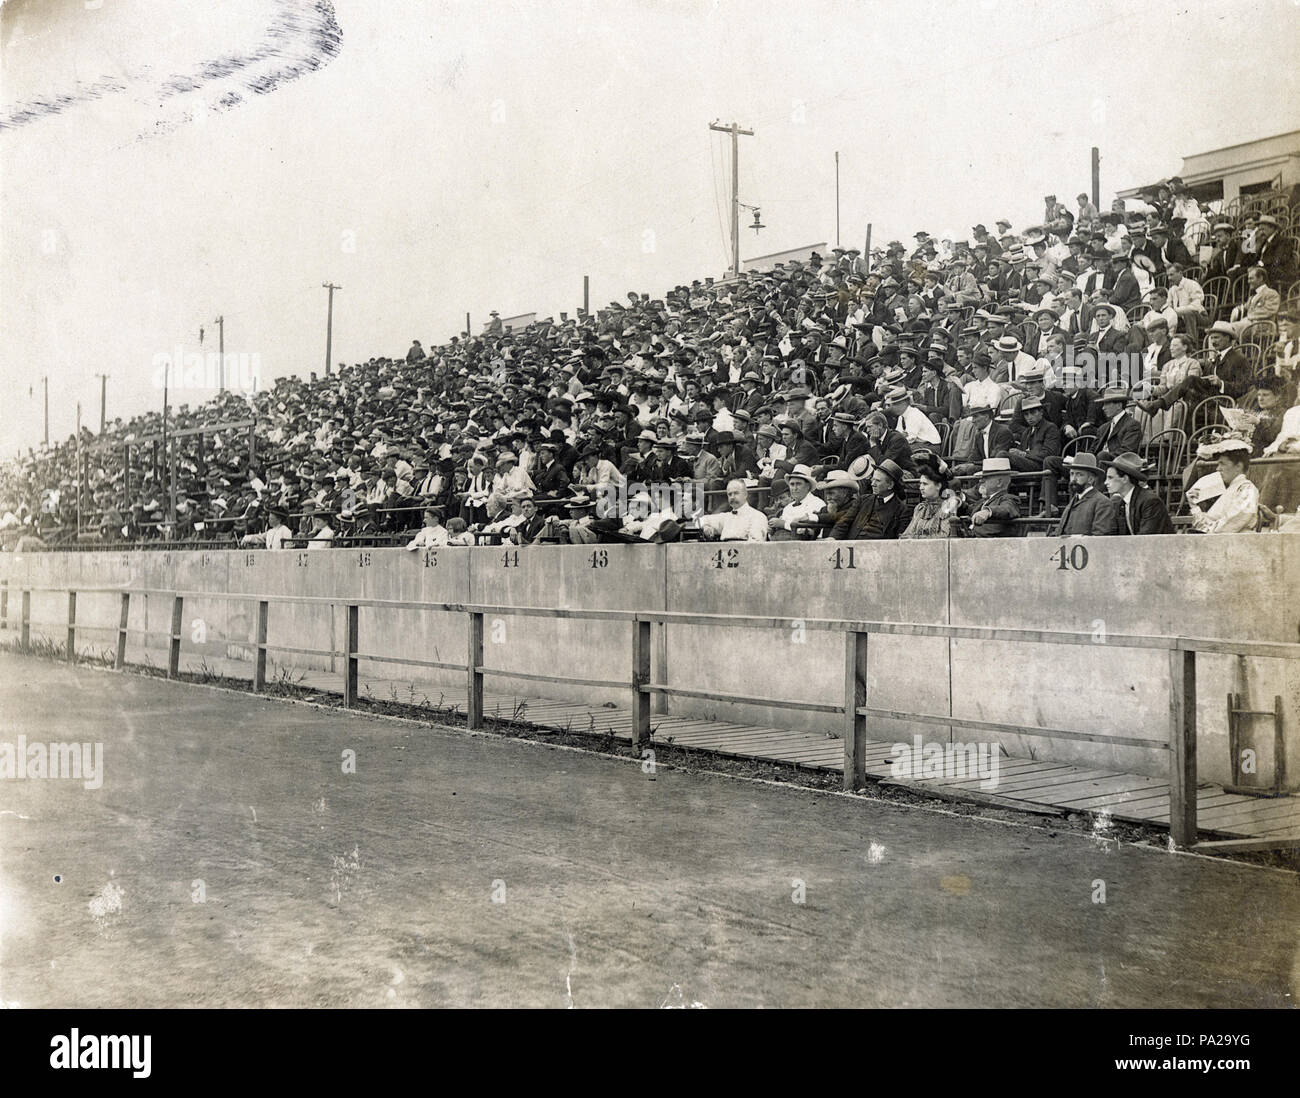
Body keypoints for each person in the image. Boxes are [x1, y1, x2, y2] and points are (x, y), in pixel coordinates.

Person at [1188, 437, 1260, 534]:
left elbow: (1226, 527)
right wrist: (1194, 506)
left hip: (1234, 540)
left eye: (1222, 464)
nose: (1218, 469)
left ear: (1238, 466)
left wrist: (1198, 515)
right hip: (1220, 539)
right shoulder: (1231, 489)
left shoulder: (1247, 489)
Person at [831, 460, 907, 540]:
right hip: (853, 545)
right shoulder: (863, 500)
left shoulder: (901, 510)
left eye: (877, 481)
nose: (872, 484)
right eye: (873, 479)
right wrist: (833, 537)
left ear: (890, 485)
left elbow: (899, 540)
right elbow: (844, 521)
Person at [1102, 452, 1173, 534]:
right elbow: (1115, 534)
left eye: (1110, 478)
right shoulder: (1121, 503)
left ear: (1125, 479)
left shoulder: (1150, 502)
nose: (1105, 482)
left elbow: (1145, 537)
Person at [1054, 454, 1120, 536]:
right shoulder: (1074, 500)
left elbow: (1101, 536)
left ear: (1090, 479)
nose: (1074, 479)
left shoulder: (1102, 503)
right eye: (1072, 474)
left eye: (1079, 474)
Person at [900, 454, 962, 538]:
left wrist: (915, 538)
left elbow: (944, 536)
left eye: (925, 484)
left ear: (938, 486)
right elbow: (907, 534)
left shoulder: (948, 506)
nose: (921, 488)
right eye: (920, 484)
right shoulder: (920, 508)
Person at [698, 479, 769, 541]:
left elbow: (755, 545)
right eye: (730, 494)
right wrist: (705, 526)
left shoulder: (757, 516)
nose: (732, 497)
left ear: (745, 494)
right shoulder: (726, 517)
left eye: (736, 493)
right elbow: (700, 520)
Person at [966, 457, 1021, 537]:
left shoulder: (1009, 499)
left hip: (991, 542)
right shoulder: (983, 501)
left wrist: (988, 512)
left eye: (985, 478)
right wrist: (957, 501)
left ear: (999, 482)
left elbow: (1006, 509)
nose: (980, 481)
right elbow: (968, 509)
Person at [768, 465, 825, 540]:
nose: (794, 488)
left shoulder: (817, 503)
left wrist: (783, 524)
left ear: (808, 486)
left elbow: (809, 532)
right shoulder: (788, 507)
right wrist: (772, 531)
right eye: (792, 484)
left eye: (798, 484)